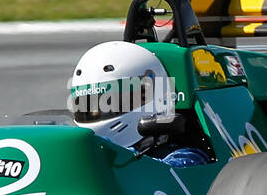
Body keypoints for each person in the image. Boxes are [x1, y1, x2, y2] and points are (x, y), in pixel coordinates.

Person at [68, 42, 211, 166]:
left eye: (112, 102)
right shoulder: (81, 150)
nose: (97, 111)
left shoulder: (185, 159)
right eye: (88, 105)